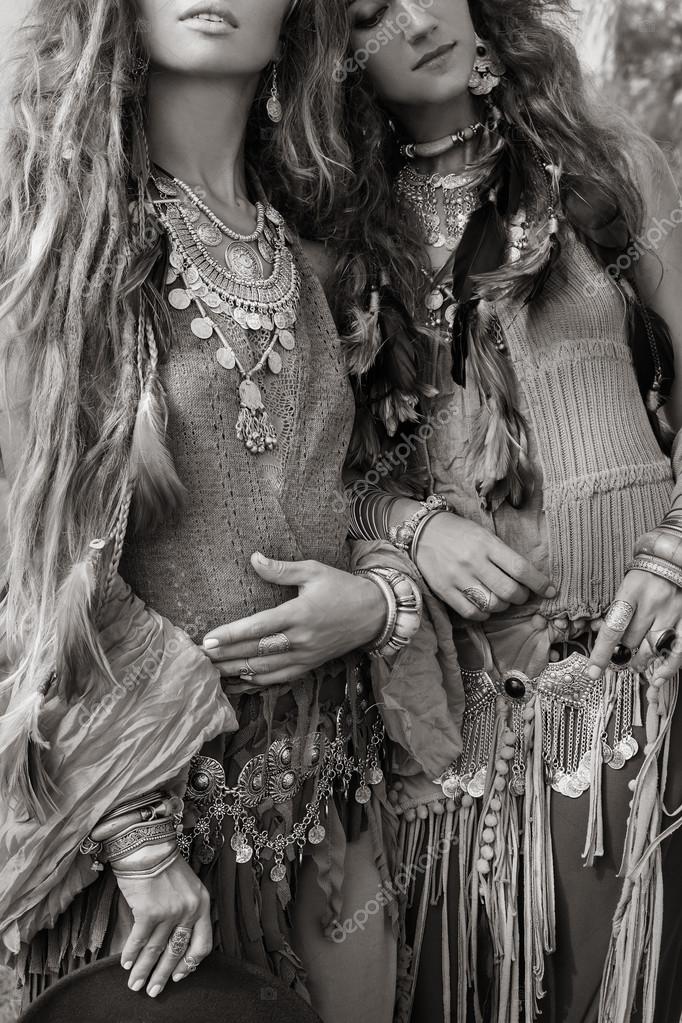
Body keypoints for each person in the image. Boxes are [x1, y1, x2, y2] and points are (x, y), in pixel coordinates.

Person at [0, 2, 439, 1020]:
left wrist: (377, 602)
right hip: (140, 850)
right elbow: (28, 552)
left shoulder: (325, 256)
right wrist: (136, 835)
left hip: (331, 809)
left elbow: (375, 493)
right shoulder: (61, 239)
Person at [329, 0, 682, 1020]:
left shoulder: (605, 162)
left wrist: (673, 554)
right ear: (340, 60)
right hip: (456, 719)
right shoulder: (343, 232)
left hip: (640, 684)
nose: (413, 20)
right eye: (367, 14)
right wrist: (412, 526)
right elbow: (316, 476)